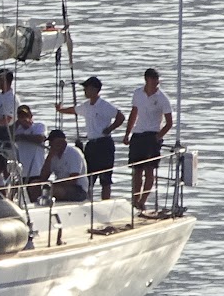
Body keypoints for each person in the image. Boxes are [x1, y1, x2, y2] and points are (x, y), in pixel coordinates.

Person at [54, 77, 125, 201]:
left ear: (95, 89)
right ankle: (88, 201)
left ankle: (105, 202)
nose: (85, 91)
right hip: (91, 144)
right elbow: (74, 110)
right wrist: (60, 110)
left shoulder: (104, 105)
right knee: (89, 177)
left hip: (104, 143)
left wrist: (110, 128)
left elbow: (120, 117)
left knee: (105, 179)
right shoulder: (86, 106)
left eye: (87, 88)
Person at [123, 67, 174, 213]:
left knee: (149, 170)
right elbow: (134, 113)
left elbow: (169, 123)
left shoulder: (162, 98)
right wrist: (127, 133)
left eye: (157, 81)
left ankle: (142, 201)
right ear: (147, 80)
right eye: (153, 81)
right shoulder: (138, 93)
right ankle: (135, 200)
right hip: (138, 134)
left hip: (152, 135)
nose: (156, 84)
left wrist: (158, 137)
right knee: (137, 171)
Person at [40, 129, 90, 202]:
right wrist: (49, 157)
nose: (50, 144)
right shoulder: (53, 156)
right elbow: (43, 177)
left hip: (78, 189)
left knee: (53, 189)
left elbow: (73, 180)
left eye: (52, 141)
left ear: (62, 142)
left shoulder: (73, 153)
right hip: (61, 186)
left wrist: (54, 184)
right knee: (36, 185)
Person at [12, 104, 48, 197]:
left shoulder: (39, 126)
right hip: (21, 171)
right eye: (21, 116)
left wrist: (22, 137)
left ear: (31, 116)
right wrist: (16, 124)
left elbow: (40, 138)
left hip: (37, 170)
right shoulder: (16, 129)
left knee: (35, 195)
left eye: (26, 116)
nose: (24, 118)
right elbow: (6, 135)